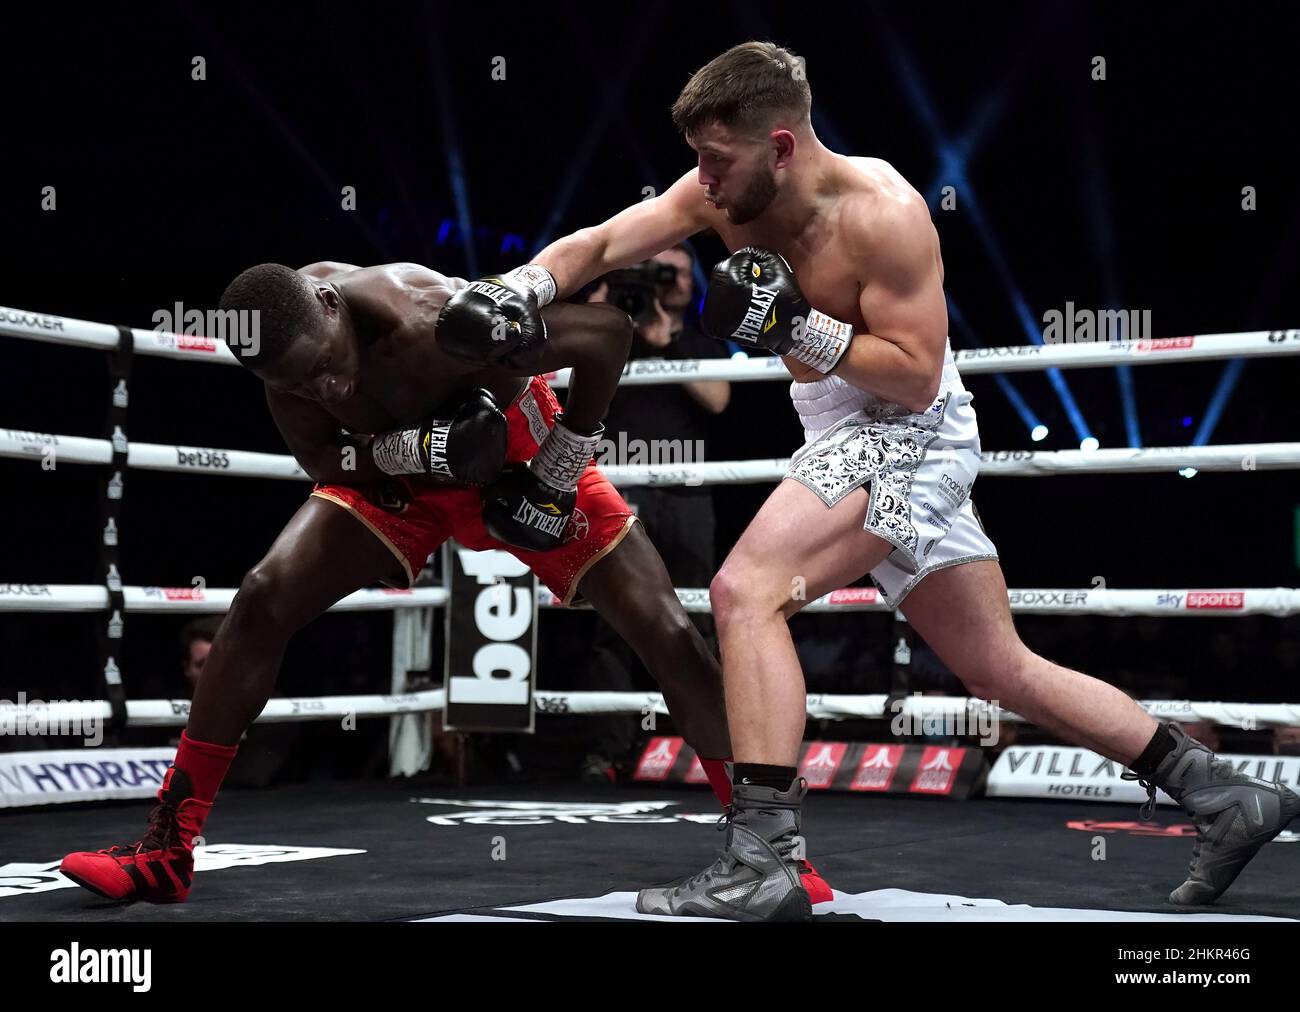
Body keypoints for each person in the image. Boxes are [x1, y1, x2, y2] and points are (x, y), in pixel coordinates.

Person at [471, 42, 1299, 919]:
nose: (701, 180)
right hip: (841, 427)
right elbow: (601, 242)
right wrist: (518, 288)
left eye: (719, 159)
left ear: (782, 146)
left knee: (746, 591)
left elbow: (913, 372)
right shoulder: (716, 189)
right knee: (998, 667)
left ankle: (764, 858)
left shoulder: (887, 216)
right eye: (698, 159)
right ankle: (1222, 793)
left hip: (911, 430)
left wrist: (799, 326)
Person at [58, 260, 746, 904]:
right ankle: (166, 849)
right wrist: (415, 448)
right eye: (297, 385)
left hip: (520, 454)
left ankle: (764, 847)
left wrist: (561, 466)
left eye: (323, 368)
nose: (321, 390)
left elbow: (605, 334)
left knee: (668, 634)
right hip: (402, 478)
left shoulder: (434, 322)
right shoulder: (287, 363)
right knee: (264, 598)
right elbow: (324, 459)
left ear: (331, 308)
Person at [580, 244, 731, 781]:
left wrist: (666, 342)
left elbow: (717, 399)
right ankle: (608, 752)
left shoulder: (703, 331)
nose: (674, 281)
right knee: (614, 625)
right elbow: (575, 387)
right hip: (619, 492)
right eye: (662, 271)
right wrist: (607, 310)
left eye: (682, 273)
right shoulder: (611, 327)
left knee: (694, 617)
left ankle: (707, 748)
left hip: (687, 491)